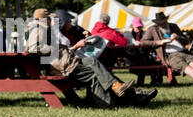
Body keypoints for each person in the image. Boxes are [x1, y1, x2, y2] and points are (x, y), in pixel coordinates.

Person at [25, 10, 154, 108]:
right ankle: (120, 99)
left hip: (69, 62)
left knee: (94, 65)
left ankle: (118, 90)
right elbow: (34, 49)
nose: (52, 21)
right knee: (95, 72)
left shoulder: (48, 30)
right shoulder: (40, 29)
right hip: (65, 67)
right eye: (50, 19)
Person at [140, 13, 193, 89]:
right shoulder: (152, 29)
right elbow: (143, 42)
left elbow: (186, 40)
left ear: (166, 20)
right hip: (171, 55)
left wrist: (178, 37)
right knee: (189, 69)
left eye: (164, 22)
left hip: (183, 51)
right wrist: (160, 42)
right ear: (157, 23)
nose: (163, 25)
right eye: (161, 23)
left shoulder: (173, 26)